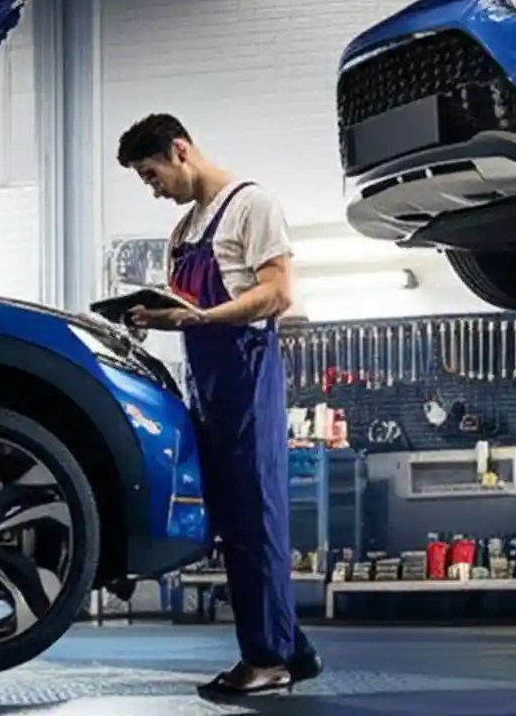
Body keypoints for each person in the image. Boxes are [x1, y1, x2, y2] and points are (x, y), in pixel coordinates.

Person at [115, 114, 322, 702]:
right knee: (233, 523)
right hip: (206, 383)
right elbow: (186, 304)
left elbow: (277, 293)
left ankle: (266, 660)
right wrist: (153, 315)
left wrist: (199, 317)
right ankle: (292, 650)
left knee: (256, 518)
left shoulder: (250, 205)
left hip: (248, 373)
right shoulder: (184, 229)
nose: (152, 187)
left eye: (152, 174)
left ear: (181, 150)